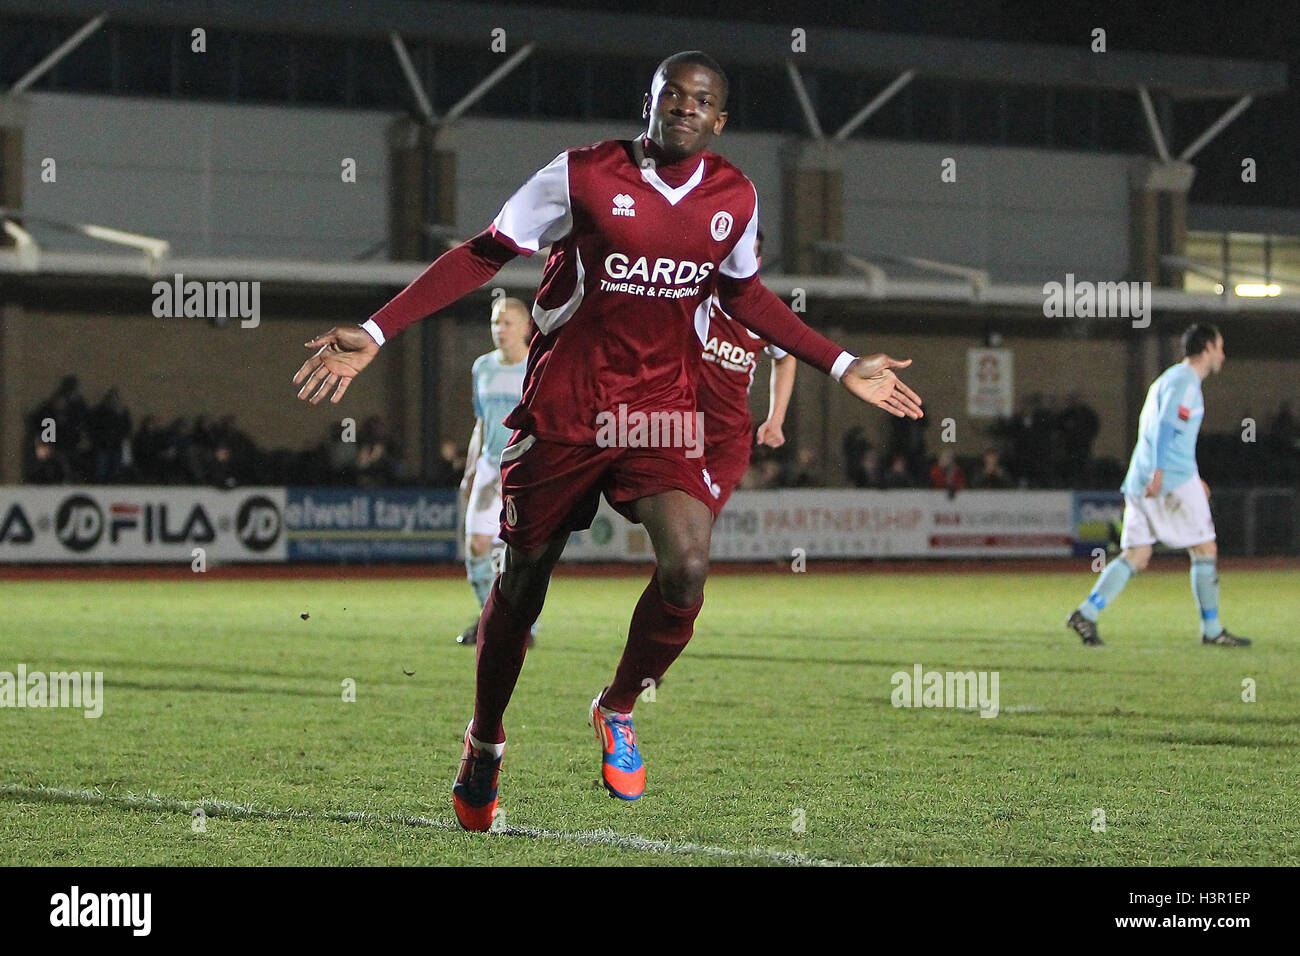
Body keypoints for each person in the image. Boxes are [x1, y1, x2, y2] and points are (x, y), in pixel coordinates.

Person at [292, 51, 922, 831]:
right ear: (650, 103)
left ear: (720, 120)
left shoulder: (735, 196)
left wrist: (842, 362)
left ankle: (617, 706)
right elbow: (488, 251)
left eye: (702, 101)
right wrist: (379, 330)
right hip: (563, 413)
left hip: (657, 413)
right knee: (519, 592)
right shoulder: (584, 173)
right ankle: (485, 741)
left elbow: (744, 292)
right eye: (673, 96)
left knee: (688, 565)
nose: (686, 108)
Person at [1067, 323, 1249, 647]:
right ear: (1207, 347)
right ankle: (1212, 630)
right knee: (1205, 548)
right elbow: (1166, 426)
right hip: (1169, 479)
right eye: (1220, 347)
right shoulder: (1186, 382)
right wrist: (1162, 472)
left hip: (1142, 476)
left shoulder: (1168, 379)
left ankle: (1086, 613)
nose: (1223, 354)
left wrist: (1183, 474)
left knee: (1136, 554)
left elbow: (1164, 431)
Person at [695, 229, 796, 509]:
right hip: (678, 433)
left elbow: (787, 357)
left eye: (747, 255)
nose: (737, 262)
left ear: (757, 262)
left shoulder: (764, 312)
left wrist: (776, 418)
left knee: (696, 519)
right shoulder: (692, 297)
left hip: (727, 442)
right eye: (732, 253)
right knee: (676, 522)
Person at [455, 297, 531, 646]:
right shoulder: (482, 367)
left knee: (517, 552)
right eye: (495, 322)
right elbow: (480, 422)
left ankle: (519, 625)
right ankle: (489, 617)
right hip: (488, 467)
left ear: (526, 327)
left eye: (507, 323)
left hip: (525, 469)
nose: (499, 329)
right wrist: (471, 470)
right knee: (476, 545)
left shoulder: (537, 367)